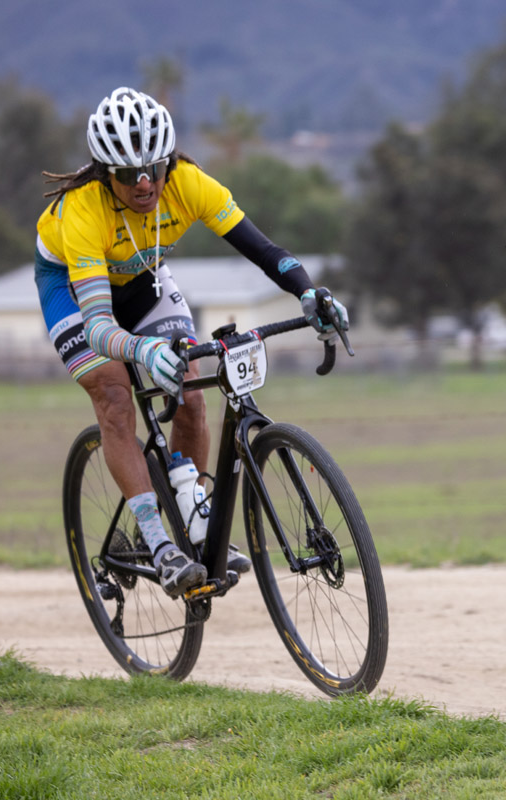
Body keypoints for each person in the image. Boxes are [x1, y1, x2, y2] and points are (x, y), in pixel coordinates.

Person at [35, 87, 348, 597]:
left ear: (169, 162)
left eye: (153, 169)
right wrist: (142, 351)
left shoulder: (188, 184)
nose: (143, 184)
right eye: (126, 174)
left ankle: (192, 507)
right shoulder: (83, 210)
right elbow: (97, 326)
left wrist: (309, 293)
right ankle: (159, 544)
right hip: (73, 293)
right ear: (103, 173)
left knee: (192, 394)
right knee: (115, 397)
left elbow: (266, 251)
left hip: (144, 282)